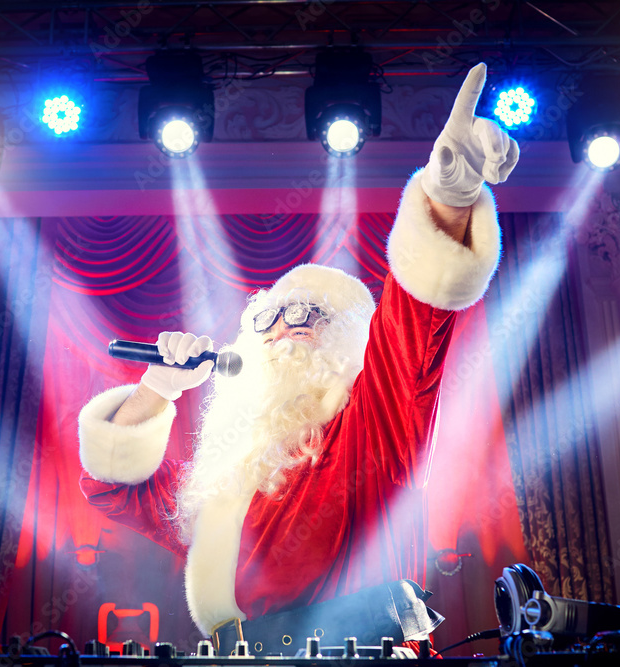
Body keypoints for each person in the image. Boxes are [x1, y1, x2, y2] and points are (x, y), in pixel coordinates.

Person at [77, 63, 518, 654]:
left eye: (309, 314)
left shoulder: (376, 420)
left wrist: (448, 199)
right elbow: (111, 489)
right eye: (269, 316)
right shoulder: (224, 471)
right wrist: (156, 388)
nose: (283, 327)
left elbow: (415, 317)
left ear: (349, 343)